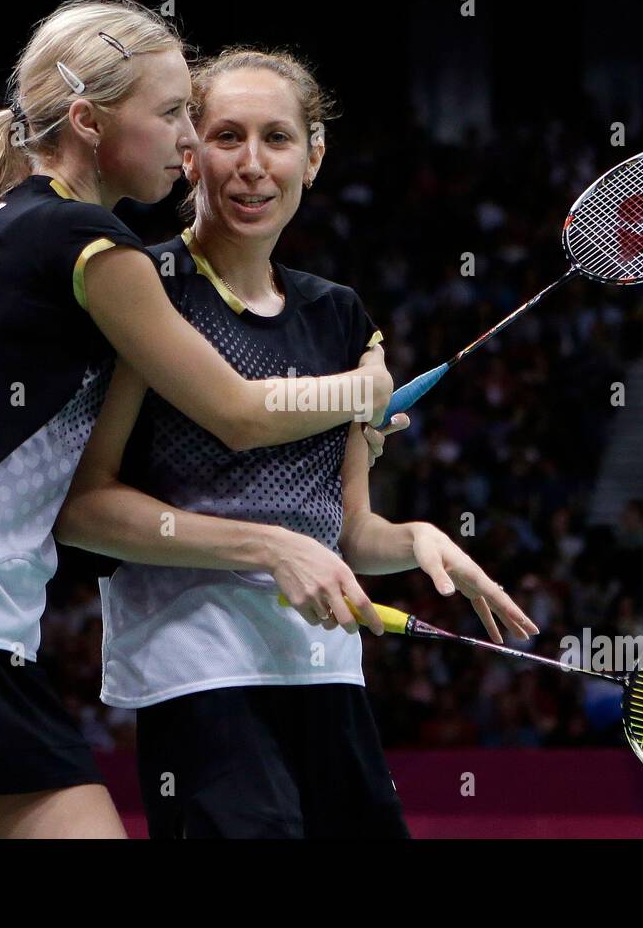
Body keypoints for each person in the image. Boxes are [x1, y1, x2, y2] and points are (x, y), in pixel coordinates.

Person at [0, 0, 390, 840]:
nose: (188, 145)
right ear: (88, 121)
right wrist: (362, 390)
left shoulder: (5, 221)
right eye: (170, 117)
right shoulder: (89, 246)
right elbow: (235, 410)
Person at [56, 48, 537, 838]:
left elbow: (344, 530)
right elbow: (85, 509)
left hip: (325, 670)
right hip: (197, 673)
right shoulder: (146, 289)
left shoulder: (340, 316)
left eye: (277, 138)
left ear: (313, 157)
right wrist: (266, 547)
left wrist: (414, 540)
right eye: (227, 137)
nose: (252, 166)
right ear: (189, 153)